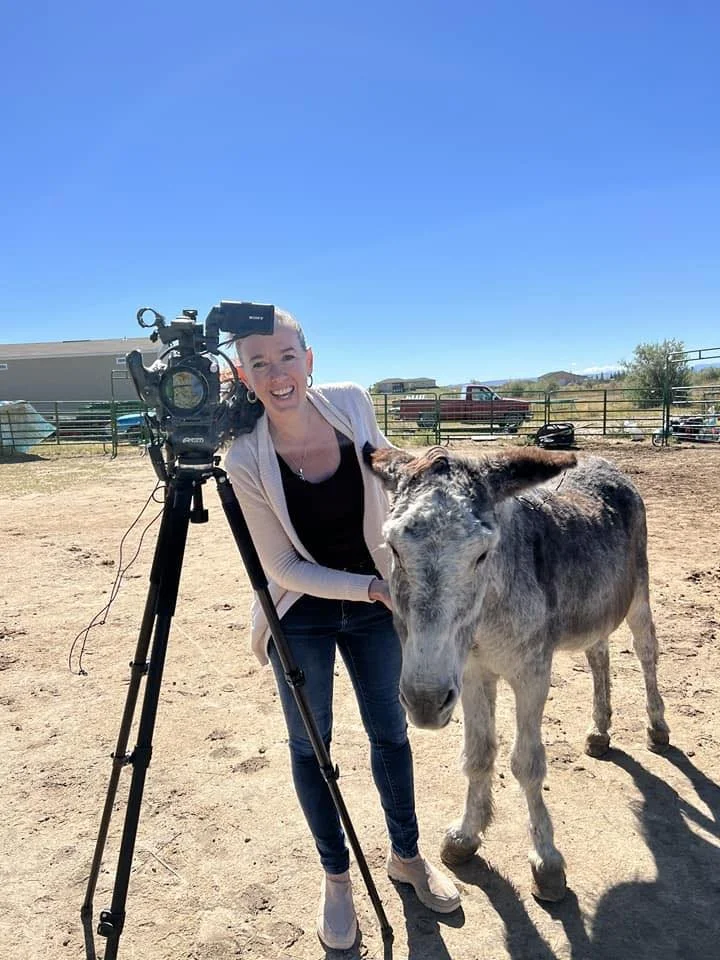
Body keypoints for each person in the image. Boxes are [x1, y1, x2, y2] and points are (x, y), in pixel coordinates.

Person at [223, 308, 460, 950]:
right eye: (261, 363)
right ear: (243, 375)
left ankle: (405, 857)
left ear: (310, 359)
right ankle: (336, 879)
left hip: (375, 600)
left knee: (390, 732)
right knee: (311, 747)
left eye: (287, 356)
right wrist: (371, 588)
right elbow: (280, 566)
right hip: (300, 606)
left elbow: (388, 473)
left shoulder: (352, 405)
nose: (278, 374)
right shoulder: (243, 457)